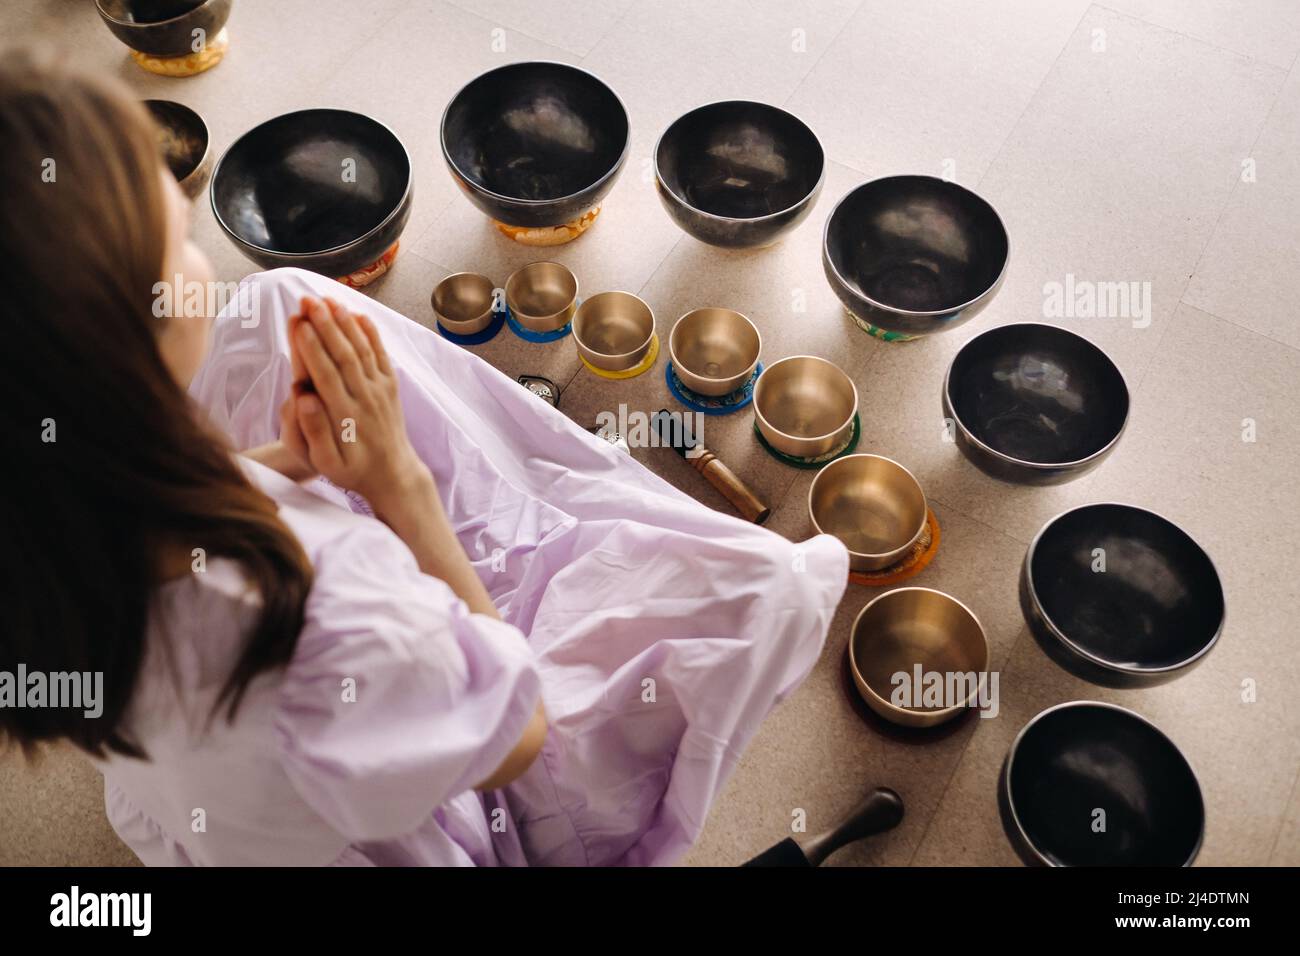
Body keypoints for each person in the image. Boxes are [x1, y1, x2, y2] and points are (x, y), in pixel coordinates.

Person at [0, 49, 849, 866]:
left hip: (225, 786)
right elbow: (513, 739)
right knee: (762, 588)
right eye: (177, 248)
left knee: (276, 296)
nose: (199, 266)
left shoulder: (41, 509)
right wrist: (400, 492)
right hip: (413, 809)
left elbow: (153, 515)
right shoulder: (329, 611)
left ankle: (545, 497)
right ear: (119, 355)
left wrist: (285, 463)